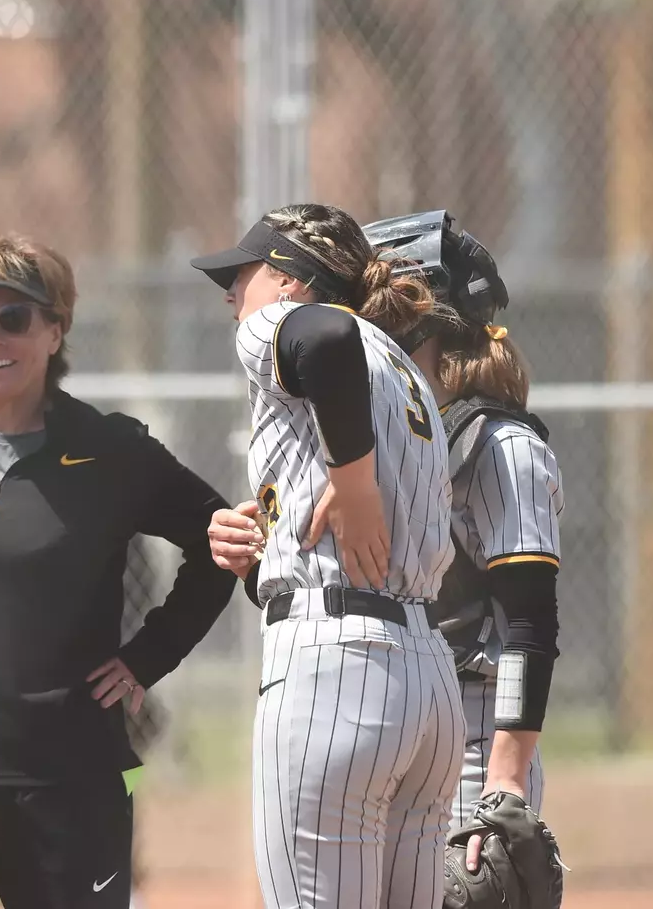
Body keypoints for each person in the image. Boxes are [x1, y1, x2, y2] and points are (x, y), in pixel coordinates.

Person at [0, 237, 236, 909]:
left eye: (14, 317)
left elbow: (217, 544)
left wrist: (146, 658)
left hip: (70, 774)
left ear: (56, 328)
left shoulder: (109, 450)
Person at [192, 204, 464, 909]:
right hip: (427, 685)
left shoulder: (293, 323)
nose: (231, 295)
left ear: (289, 280)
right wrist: (261, 564)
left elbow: (327, 332)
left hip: (339, 673)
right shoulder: (405, 371)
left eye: (242, 274)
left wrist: (352, 478)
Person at [361, 212, 562, 841]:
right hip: (387, 720)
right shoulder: (386, 439)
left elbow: (529, 622)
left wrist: (506, 775)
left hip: (475, 735)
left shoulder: (500, 447)